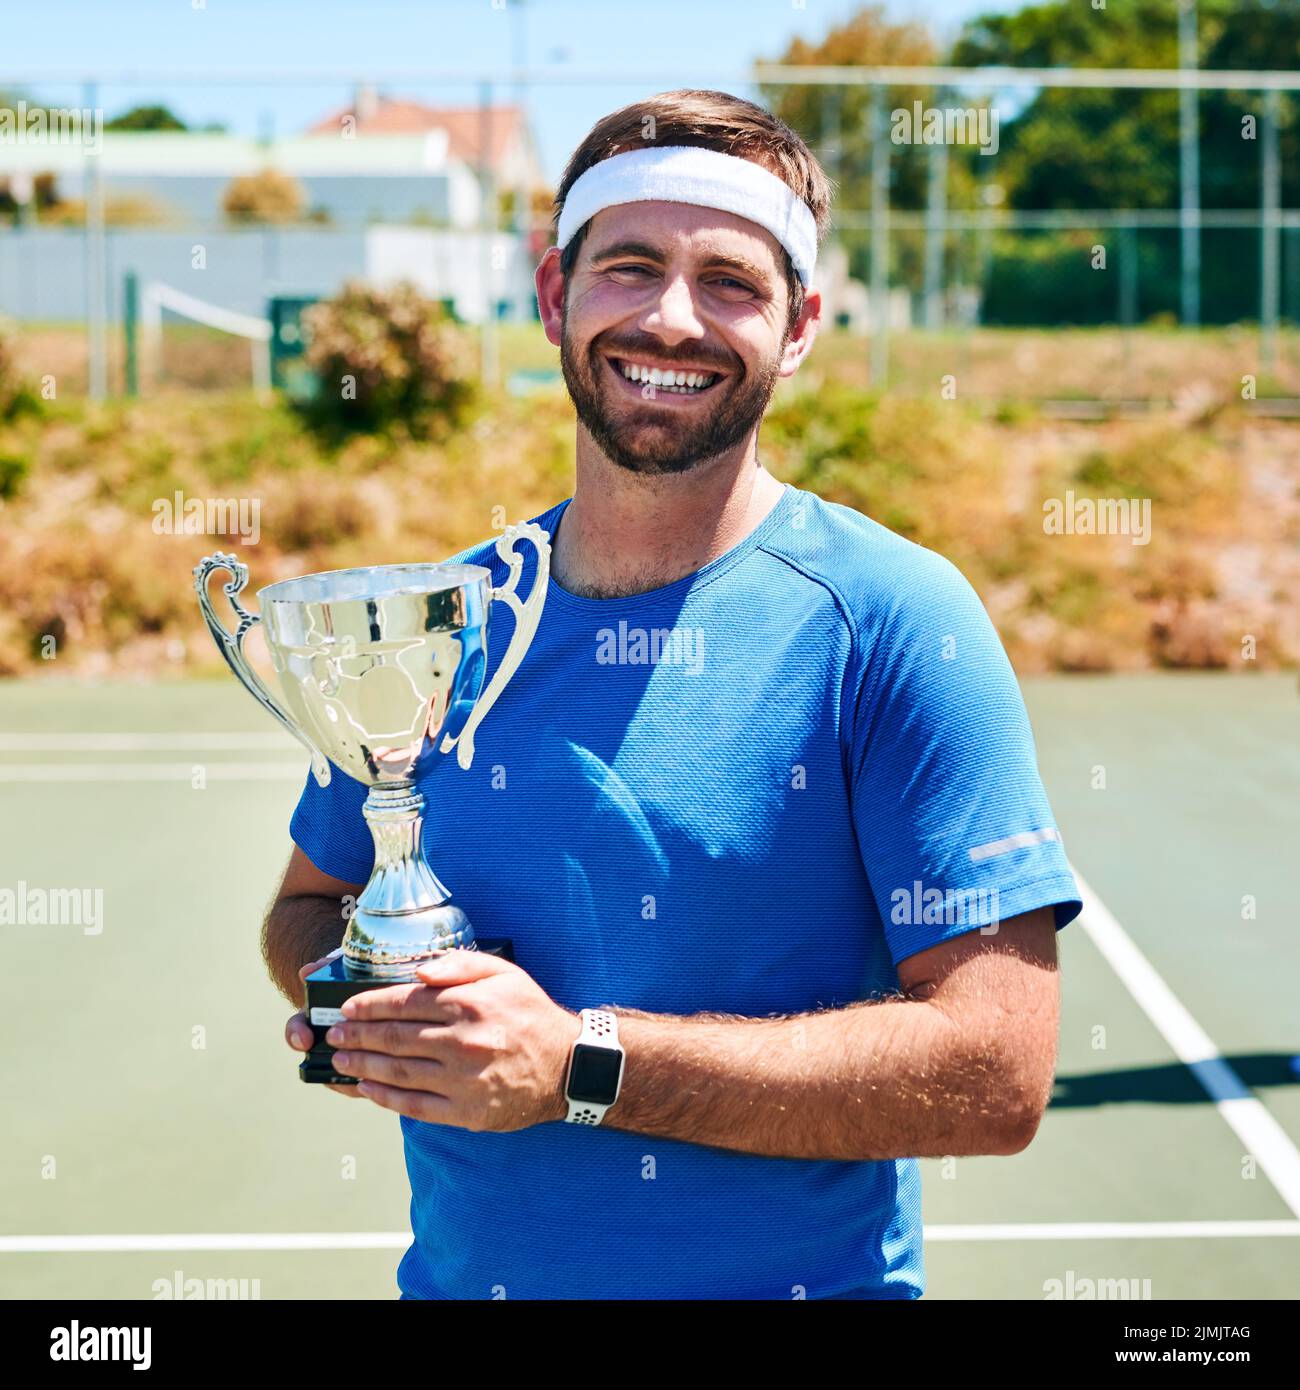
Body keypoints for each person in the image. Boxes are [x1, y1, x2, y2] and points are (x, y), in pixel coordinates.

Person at [268, 88, 1081, 1300]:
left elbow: (994, 1072)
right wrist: (374, 1003)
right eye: (630, 266)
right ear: (553, 296)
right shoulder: (446, 625)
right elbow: (309, 908)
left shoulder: (894, 619)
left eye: (733, 283)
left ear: (800, 326)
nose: (670, 318)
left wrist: (577, 1065)